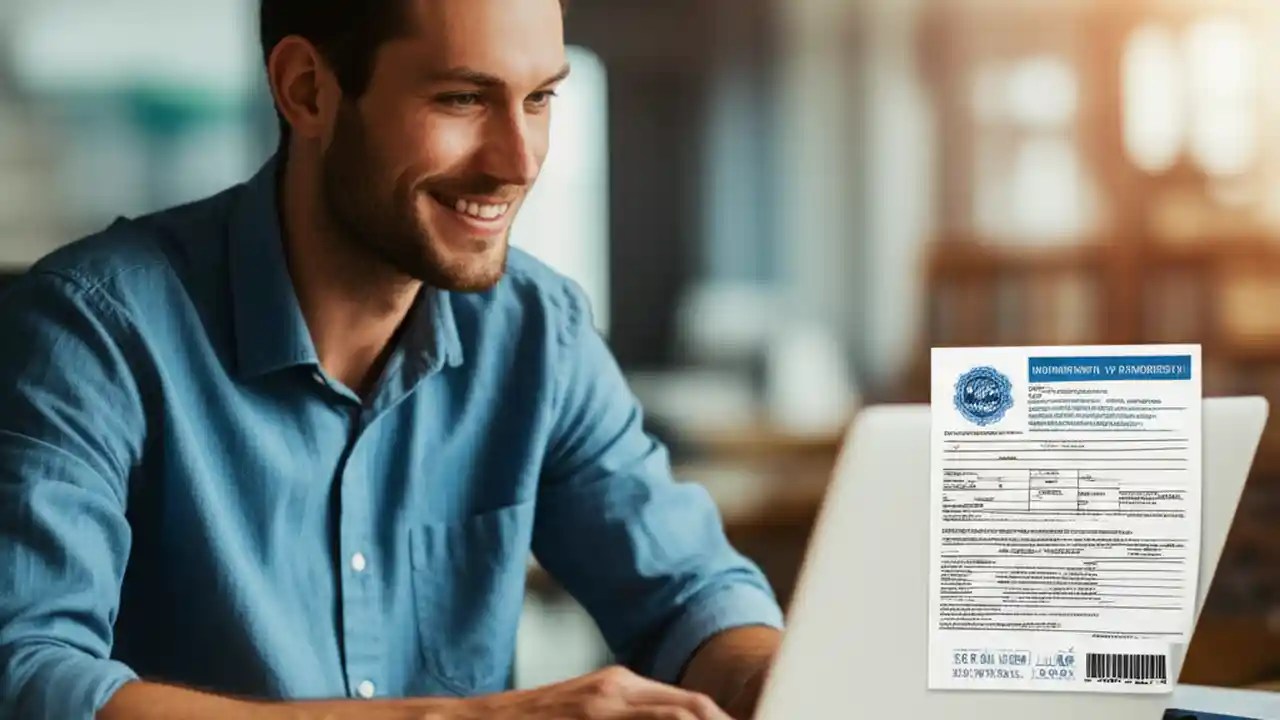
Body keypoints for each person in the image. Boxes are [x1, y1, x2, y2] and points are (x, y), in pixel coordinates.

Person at [0, 0, 786, 718]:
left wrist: (780, 681)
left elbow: (691, 597)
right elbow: (30, 678)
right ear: (308, 89)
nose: (518, 161)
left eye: (540, 98)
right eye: (463, 99)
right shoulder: (92, 327)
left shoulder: (538, 330)